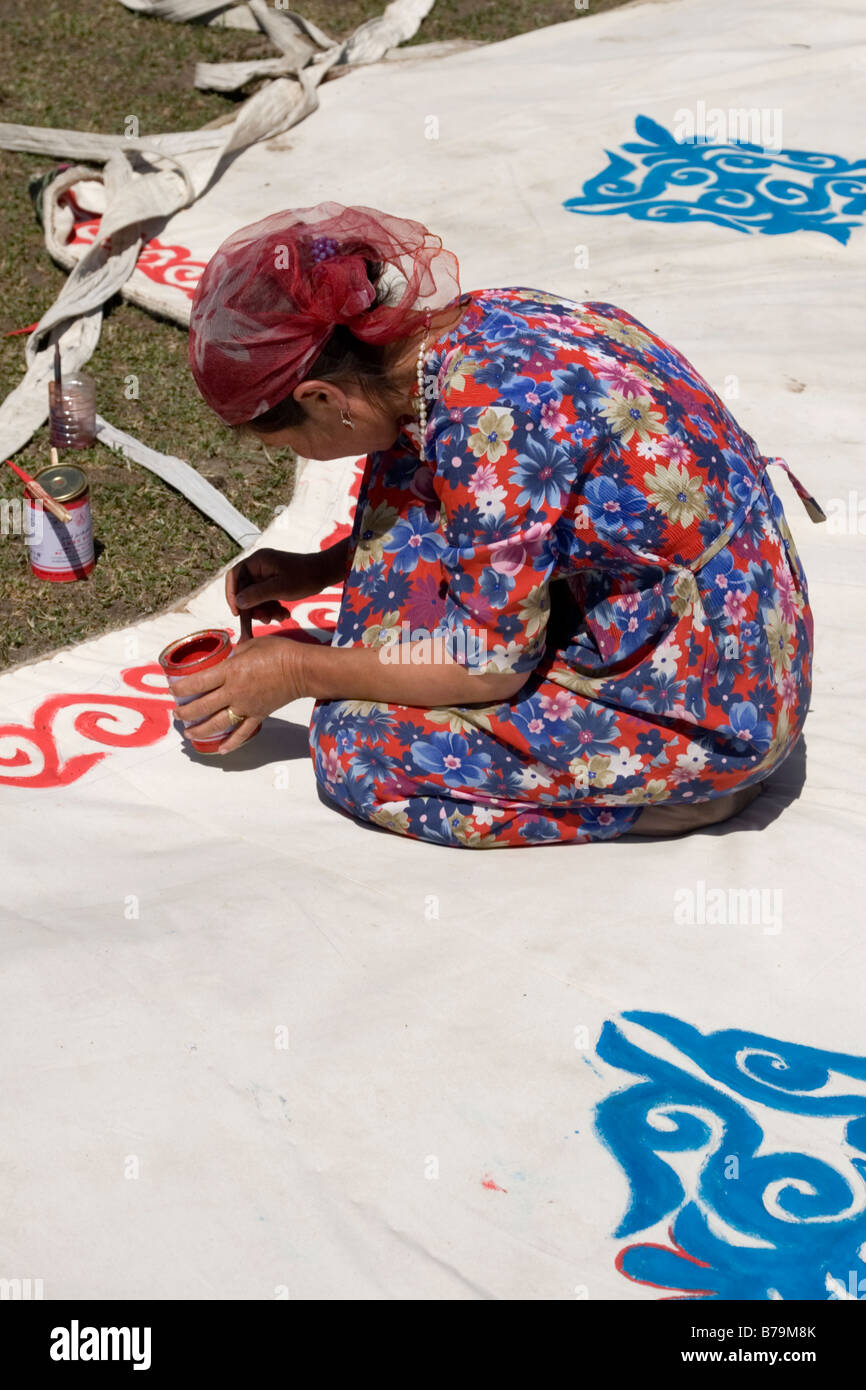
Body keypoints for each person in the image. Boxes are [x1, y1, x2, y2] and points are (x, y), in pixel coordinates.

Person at [173, 202, 823, 848]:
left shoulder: (491, 435)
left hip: (712, 708)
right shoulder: (485, 322)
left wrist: (299, 672)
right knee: (402, 459)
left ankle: (690, 794)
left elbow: (488, 669)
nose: (298, 457)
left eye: (289, 446)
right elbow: (511, 503)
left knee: (356, 749)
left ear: (322, 399)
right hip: (743, 614)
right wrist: (324, 566)